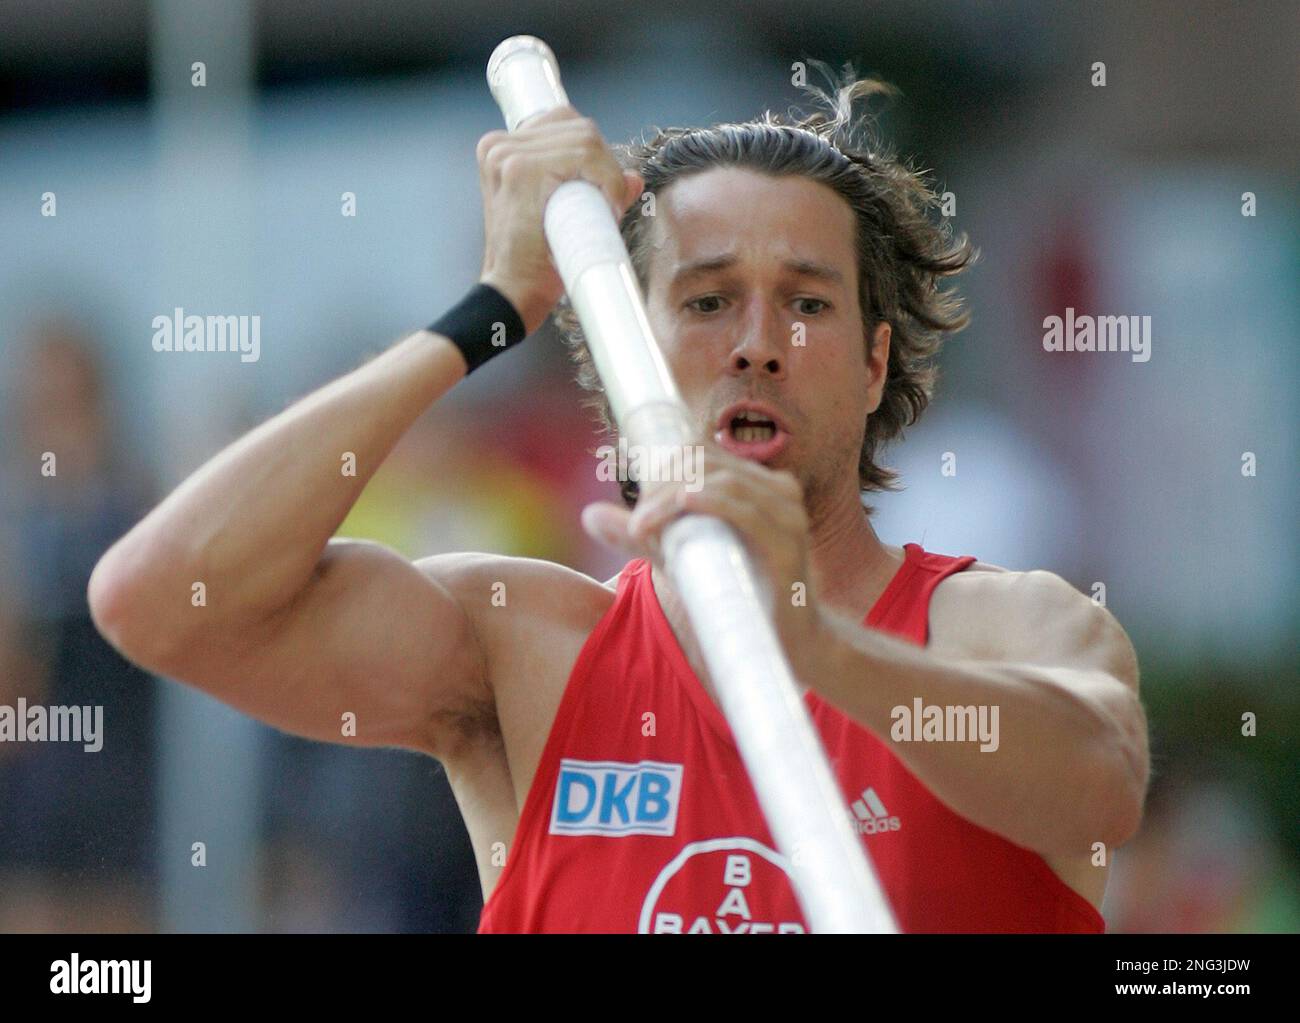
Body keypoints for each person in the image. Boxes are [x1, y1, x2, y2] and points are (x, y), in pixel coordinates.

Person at [88, 70, 1149, 933]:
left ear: (875, 366)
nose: (754, 343)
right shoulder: (526, 651)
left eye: (807, 303)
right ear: (619, 351)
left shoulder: (1005, 626)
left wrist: (814, 648)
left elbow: (1098, 789)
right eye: (706, 299)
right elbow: (161, 599)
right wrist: (493, 310)